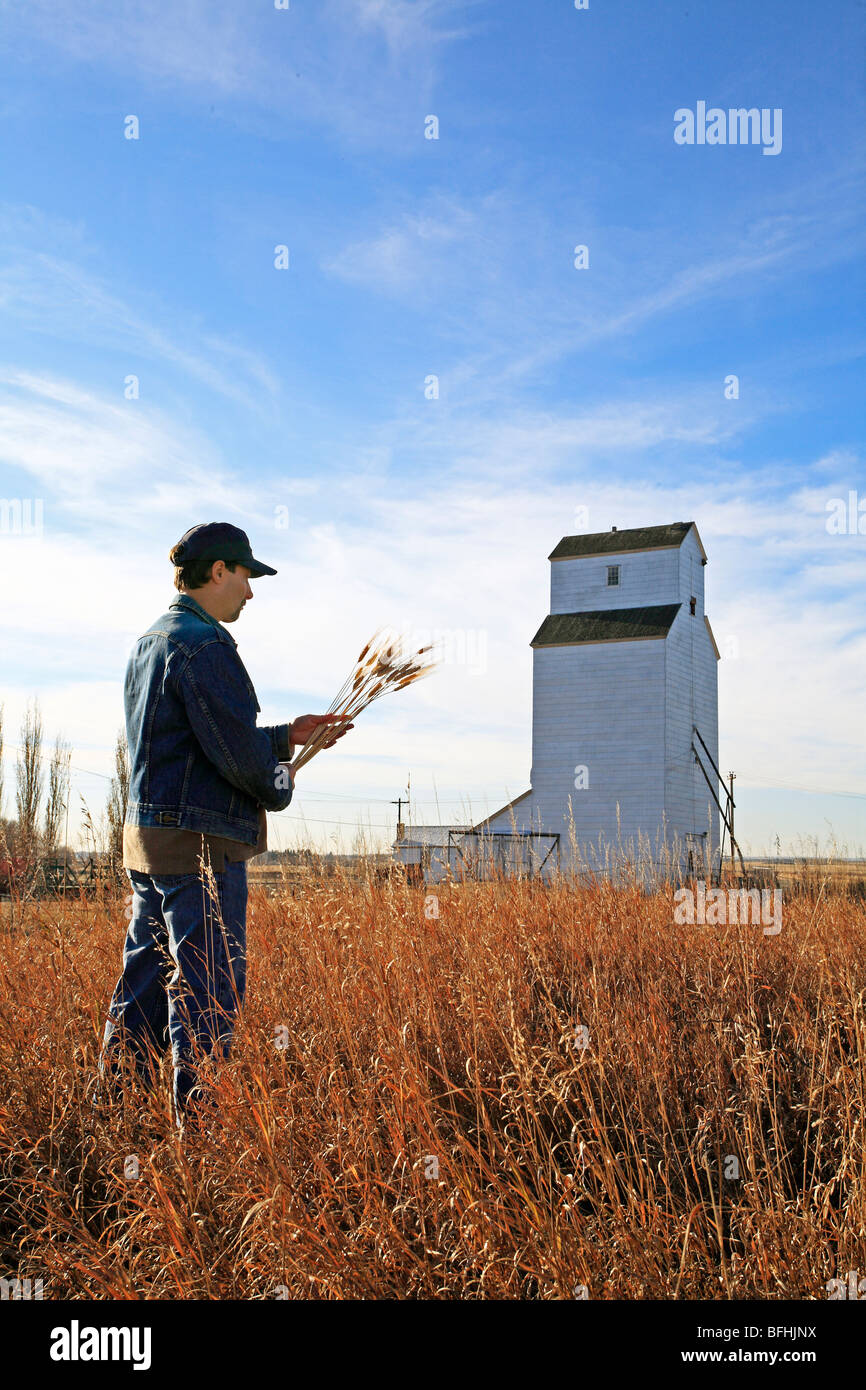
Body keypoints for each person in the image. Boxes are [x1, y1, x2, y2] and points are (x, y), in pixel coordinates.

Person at [97, 522, 351, 1128]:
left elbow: (196, 744)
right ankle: (201, 1137)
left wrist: (286, 737)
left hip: (150, 846)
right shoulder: (206, 648)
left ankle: (112, 1112)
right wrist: (281, 778)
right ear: (217, 573)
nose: (250, 592)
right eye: (245, 576)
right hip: (201, 853)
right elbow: (236, 760)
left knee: (145, 985)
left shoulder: (150, 641)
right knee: (207, 993)